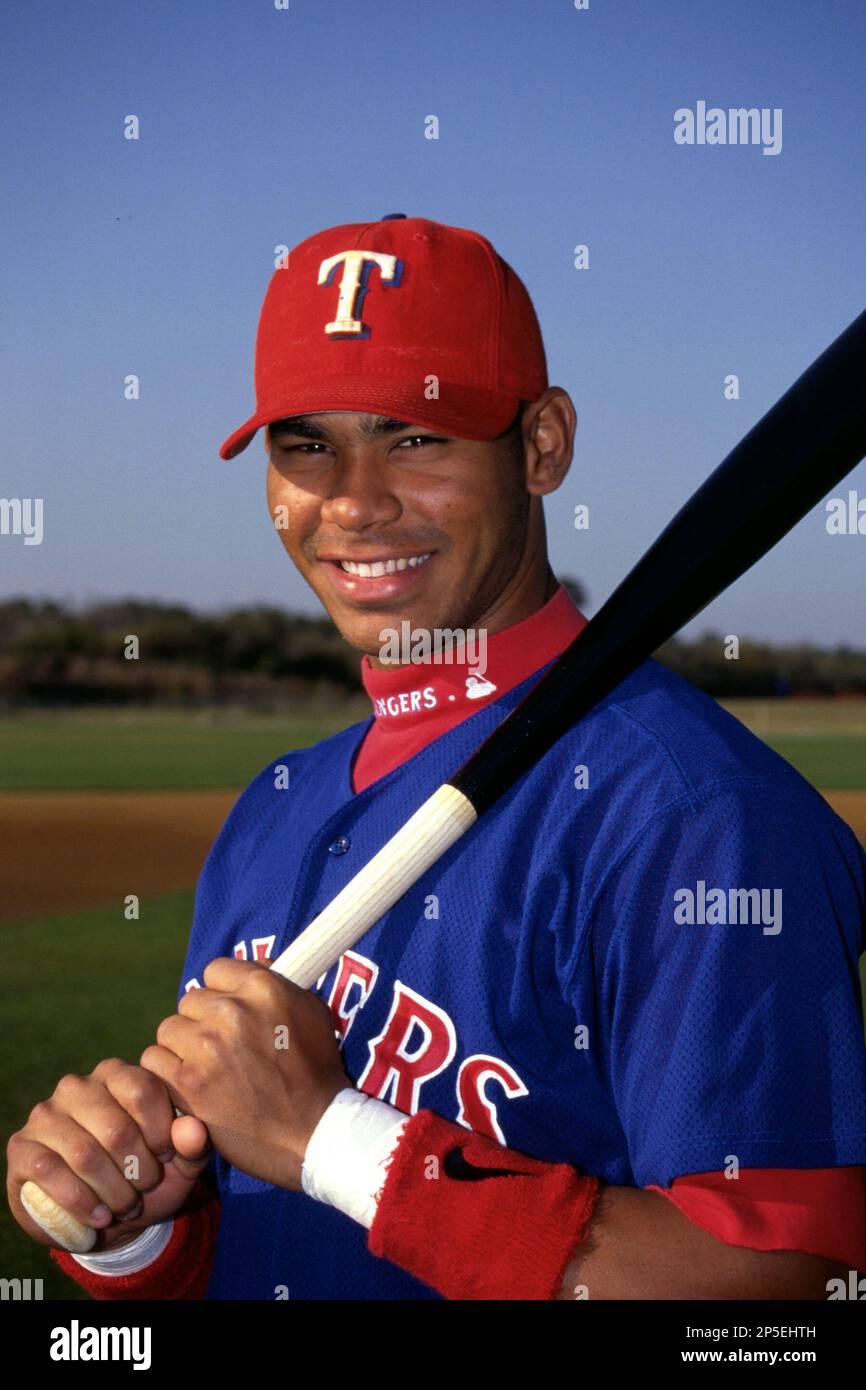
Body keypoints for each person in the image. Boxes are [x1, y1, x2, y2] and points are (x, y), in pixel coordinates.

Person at [8, 214, 866, 1300]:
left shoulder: (698, 815)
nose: (353, 501)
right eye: (304, 443)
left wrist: (334, 1140)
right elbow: (273, 1255)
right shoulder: (270, 812)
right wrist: (132, 1230)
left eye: (414, 435)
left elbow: (778, 1294)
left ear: (541, 444)